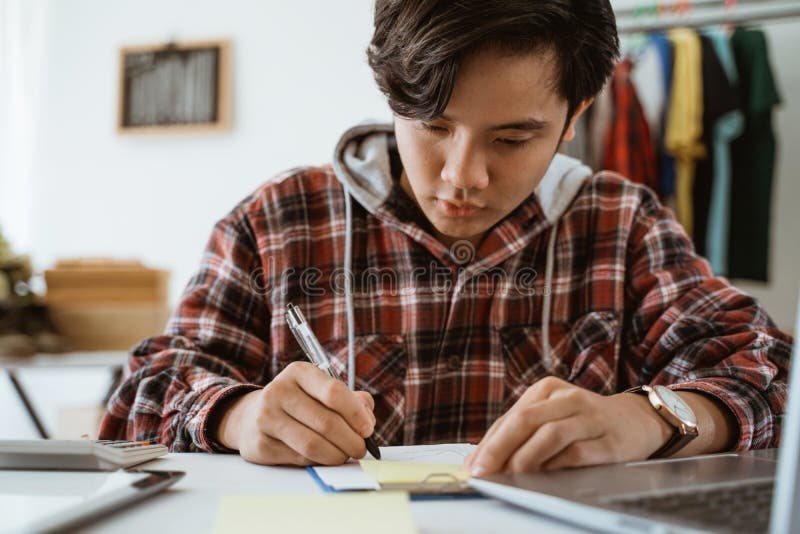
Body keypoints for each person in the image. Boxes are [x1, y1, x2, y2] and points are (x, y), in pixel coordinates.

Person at [99, 0, 792, 476]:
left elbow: (773, 371)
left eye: (512, 138)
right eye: (433, 126)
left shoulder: (622, 225)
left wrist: (656, 417)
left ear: (576, 114)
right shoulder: (277, 221)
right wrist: (237, 414)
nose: (463, 177)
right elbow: (140, 398)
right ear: (393, 97)